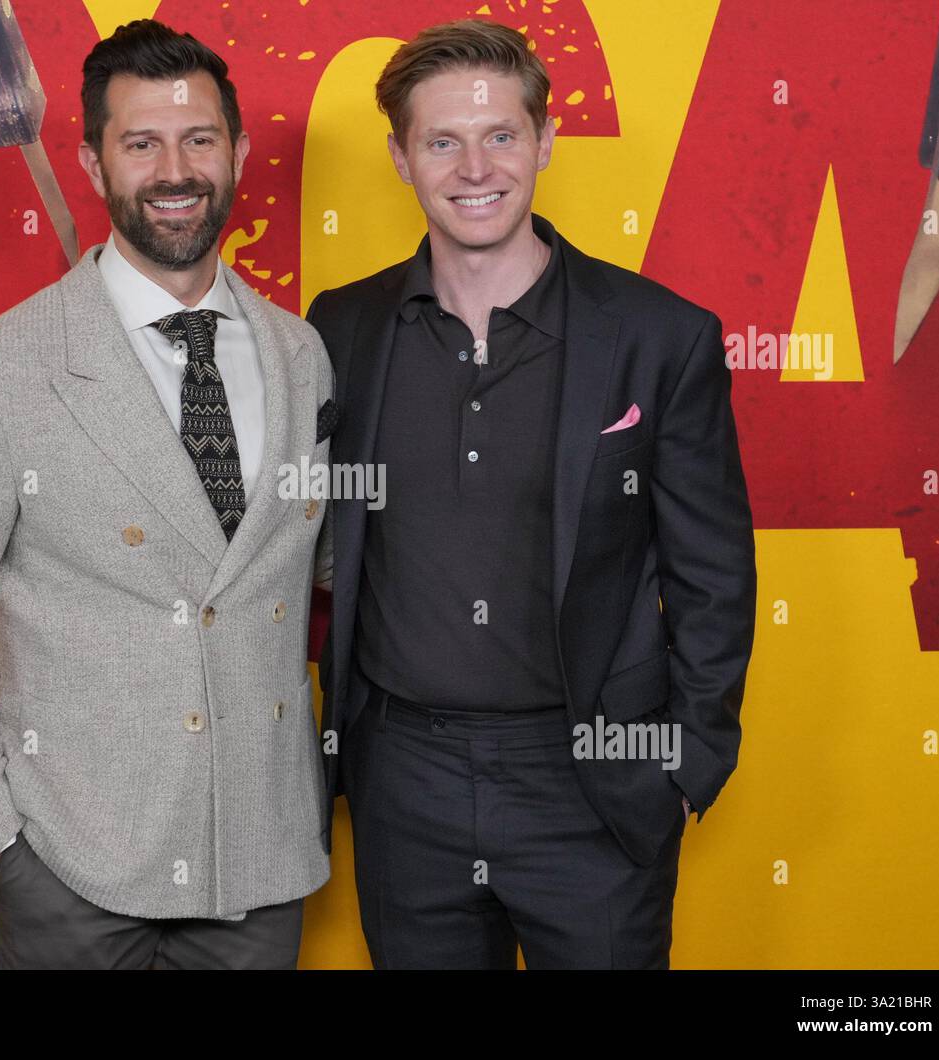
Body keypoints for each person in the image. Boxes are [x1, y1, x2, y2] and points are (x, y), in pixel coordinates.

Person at [0, 19, 334, 970]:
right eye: (140, 142)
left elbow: (316, 565)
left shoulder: (303, 356)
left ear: (237, 153)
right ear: (90, 161)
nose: (175, 168)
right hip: (70, 874)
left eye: (199, 138)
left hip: (260, 863)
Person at [307, 19, 756, 969]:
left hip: (592, 782)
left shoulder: (658, 336)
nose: (476, 167)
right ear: (400, 158)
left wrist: (682, 765)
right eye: (443, 141)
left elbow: (713, 571)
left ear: (546, 142)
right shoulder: (341, 328)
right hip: (406, 784)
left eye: (501, 135)